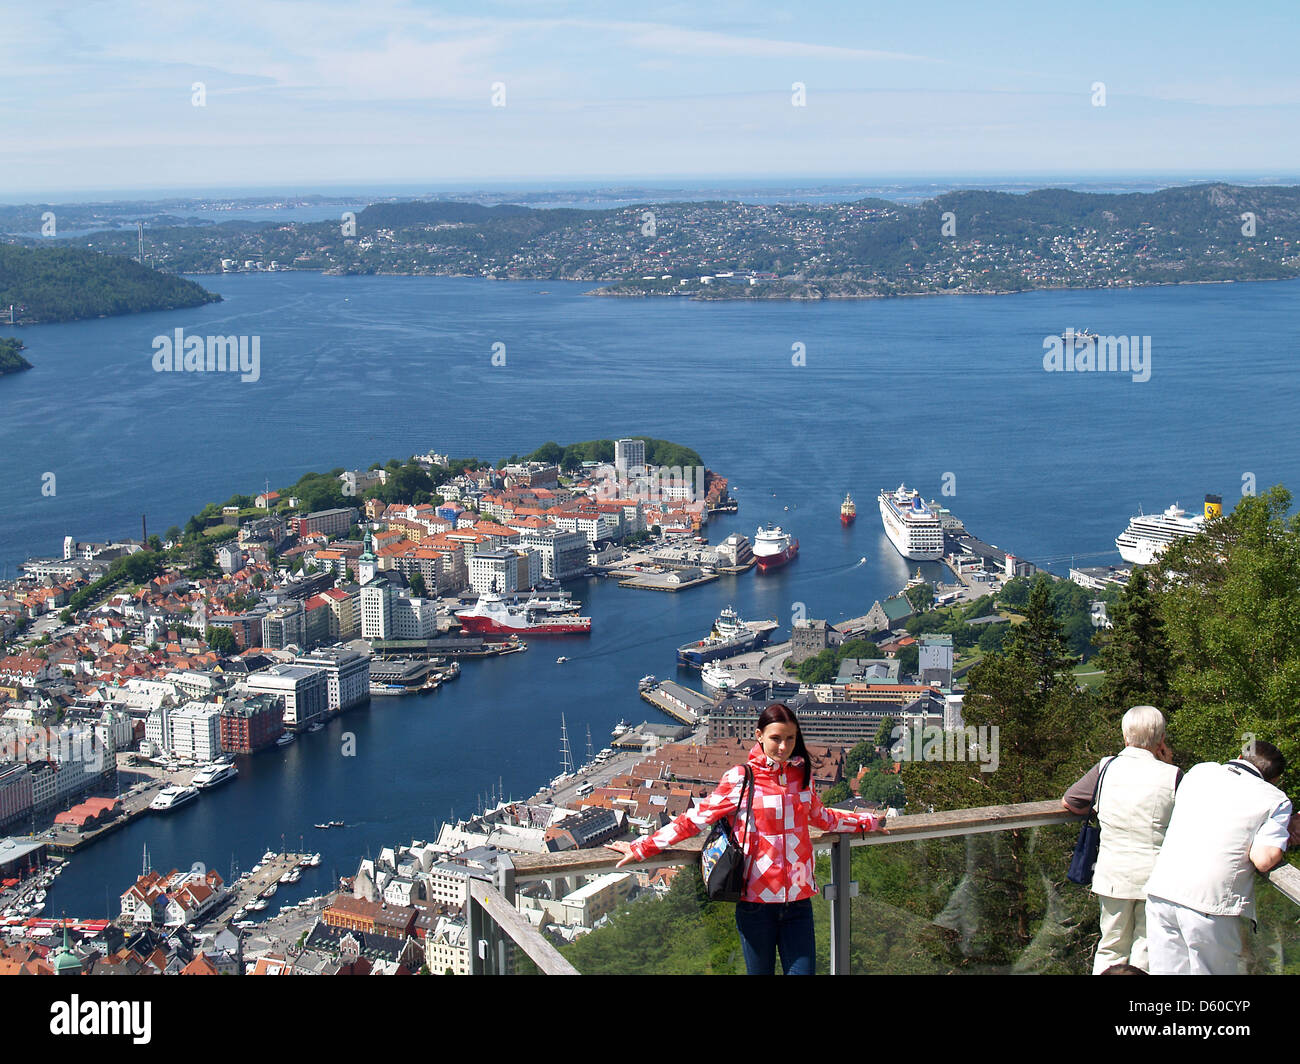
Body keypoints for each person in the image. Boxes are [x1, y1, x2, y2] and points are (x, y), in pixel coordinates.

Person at [608, 702, 887, 974]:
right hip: (756, 903)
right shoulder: (741, 778)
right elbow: (694, 820)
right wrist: (641, 847)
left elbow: (823, 818)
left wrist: (869, 822)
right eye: (776, 738)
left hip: (799, 901)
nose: (783, 746)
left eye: (790, 738)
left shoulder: (801, 777)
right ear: (759, 736)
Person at [1143, 739, 1295, 975]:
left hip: (1162, 892)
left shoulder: (1199, 771)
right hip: (1210, 904)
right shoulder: (1275, 799)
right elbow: (1264, 858)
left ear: (1241, 757)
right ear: (1275, 779)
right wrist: (1284, 834)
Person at [1061, 705, 1180, 974]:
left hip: (1113, 873)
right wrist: (1169, 765)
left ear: (1126, 736)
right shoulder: (1173, 776)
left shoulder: (1106, 767)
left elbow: (1070, 801)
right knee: (1147, 947)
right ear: (1161, 739)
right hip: (1157, 875)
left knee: (1110, 946)